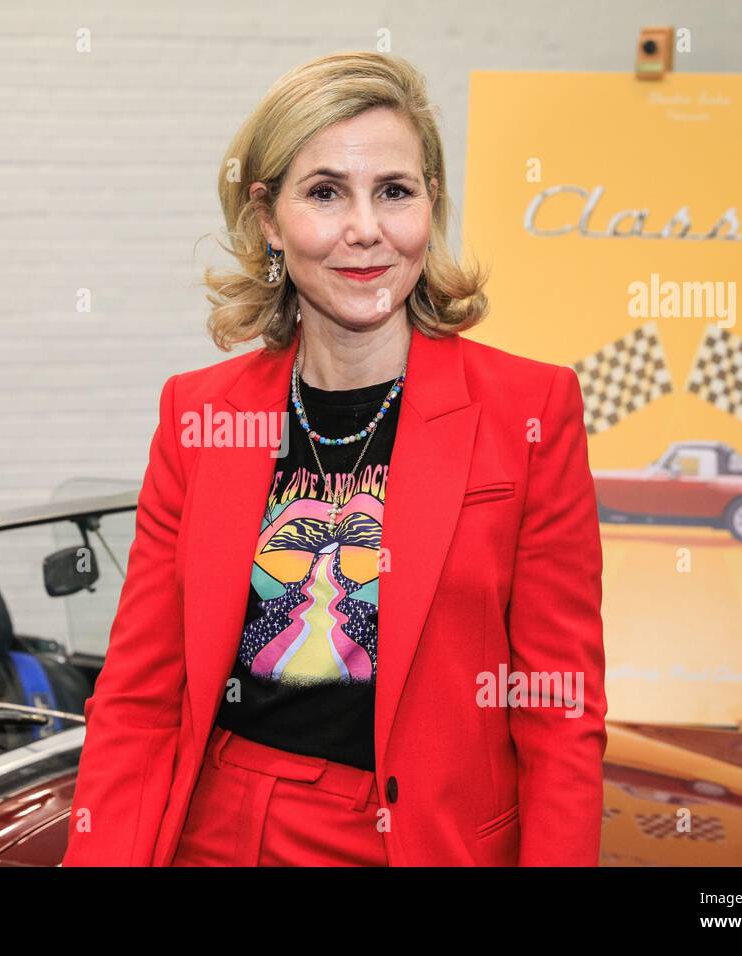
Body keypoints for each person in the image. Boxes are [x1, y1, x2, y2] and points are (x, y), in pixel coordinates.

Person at [61, 50, 606, 867]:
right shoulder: (199, 415)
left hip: (422, 839)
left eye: (395, 191)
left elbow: (559, 711)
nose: (365, 229)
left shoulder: (530, 410)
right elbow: (139, 696)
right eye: (325, 193)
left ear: (430, 206)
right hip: (217, 830)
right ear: (270, 220)